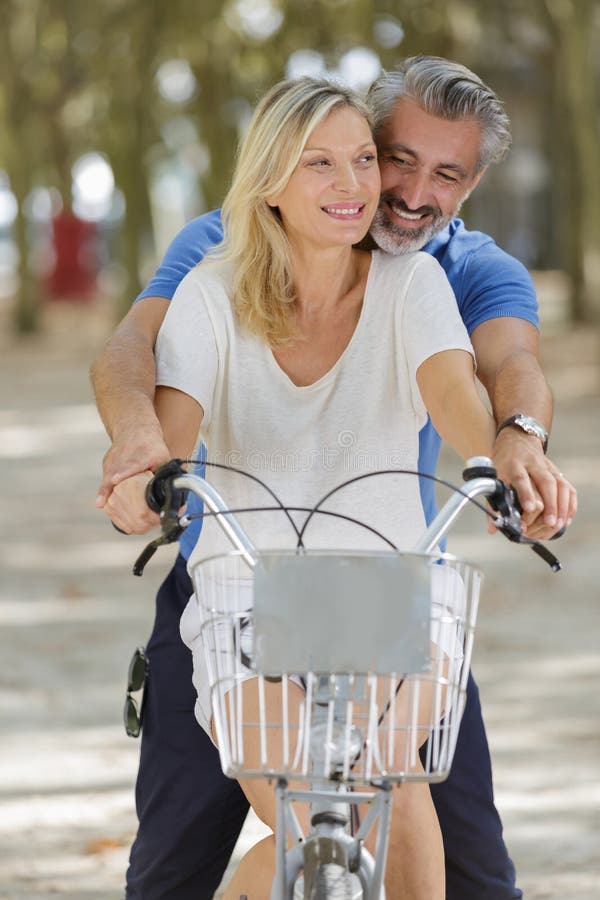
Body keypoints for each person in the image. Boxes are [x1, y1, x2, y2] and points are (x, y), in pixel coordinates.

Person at [92, 57, 576, 899]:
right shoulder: (215, 265)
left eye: (445, 173)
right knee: (181, 868)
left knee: (427, 823)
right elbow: (146, 374)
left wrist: (511, 451)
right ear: (273, 177)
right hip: (239, 584)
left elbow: (487, 380)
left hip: (377, 587)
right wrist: (141, 459)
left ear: (472, 182)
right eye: (374, 158)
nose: (390, 188)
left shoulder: (432, 274)